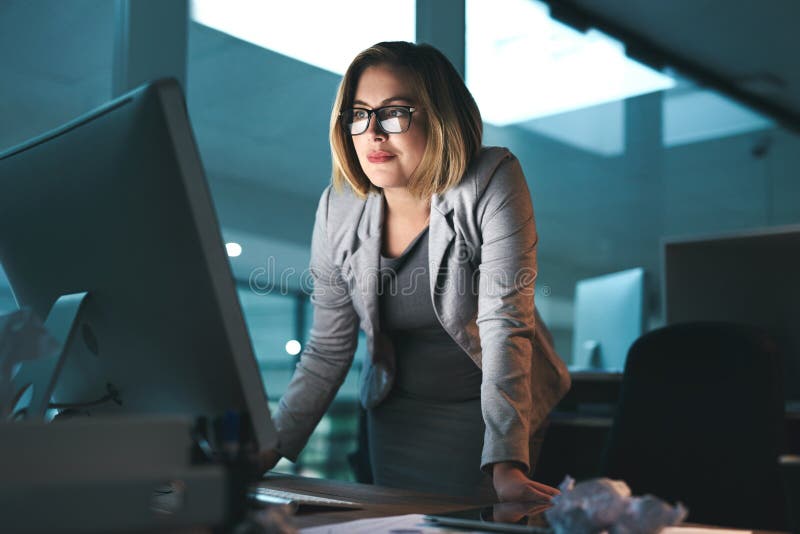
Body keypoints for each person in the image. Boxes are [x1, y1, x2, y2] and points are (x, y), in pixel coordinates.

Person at [261, 41, 571, 502]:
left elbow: (505, 324)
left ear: (440, 116)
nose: (373, 134)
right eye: (359, 114)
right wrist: (264, 450)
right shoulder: (338, 208)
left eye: (393, 113)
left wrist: (507, 463)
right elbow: (328, 349)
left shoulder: (491, 179)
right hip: (399, 414)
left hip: (491, 414)